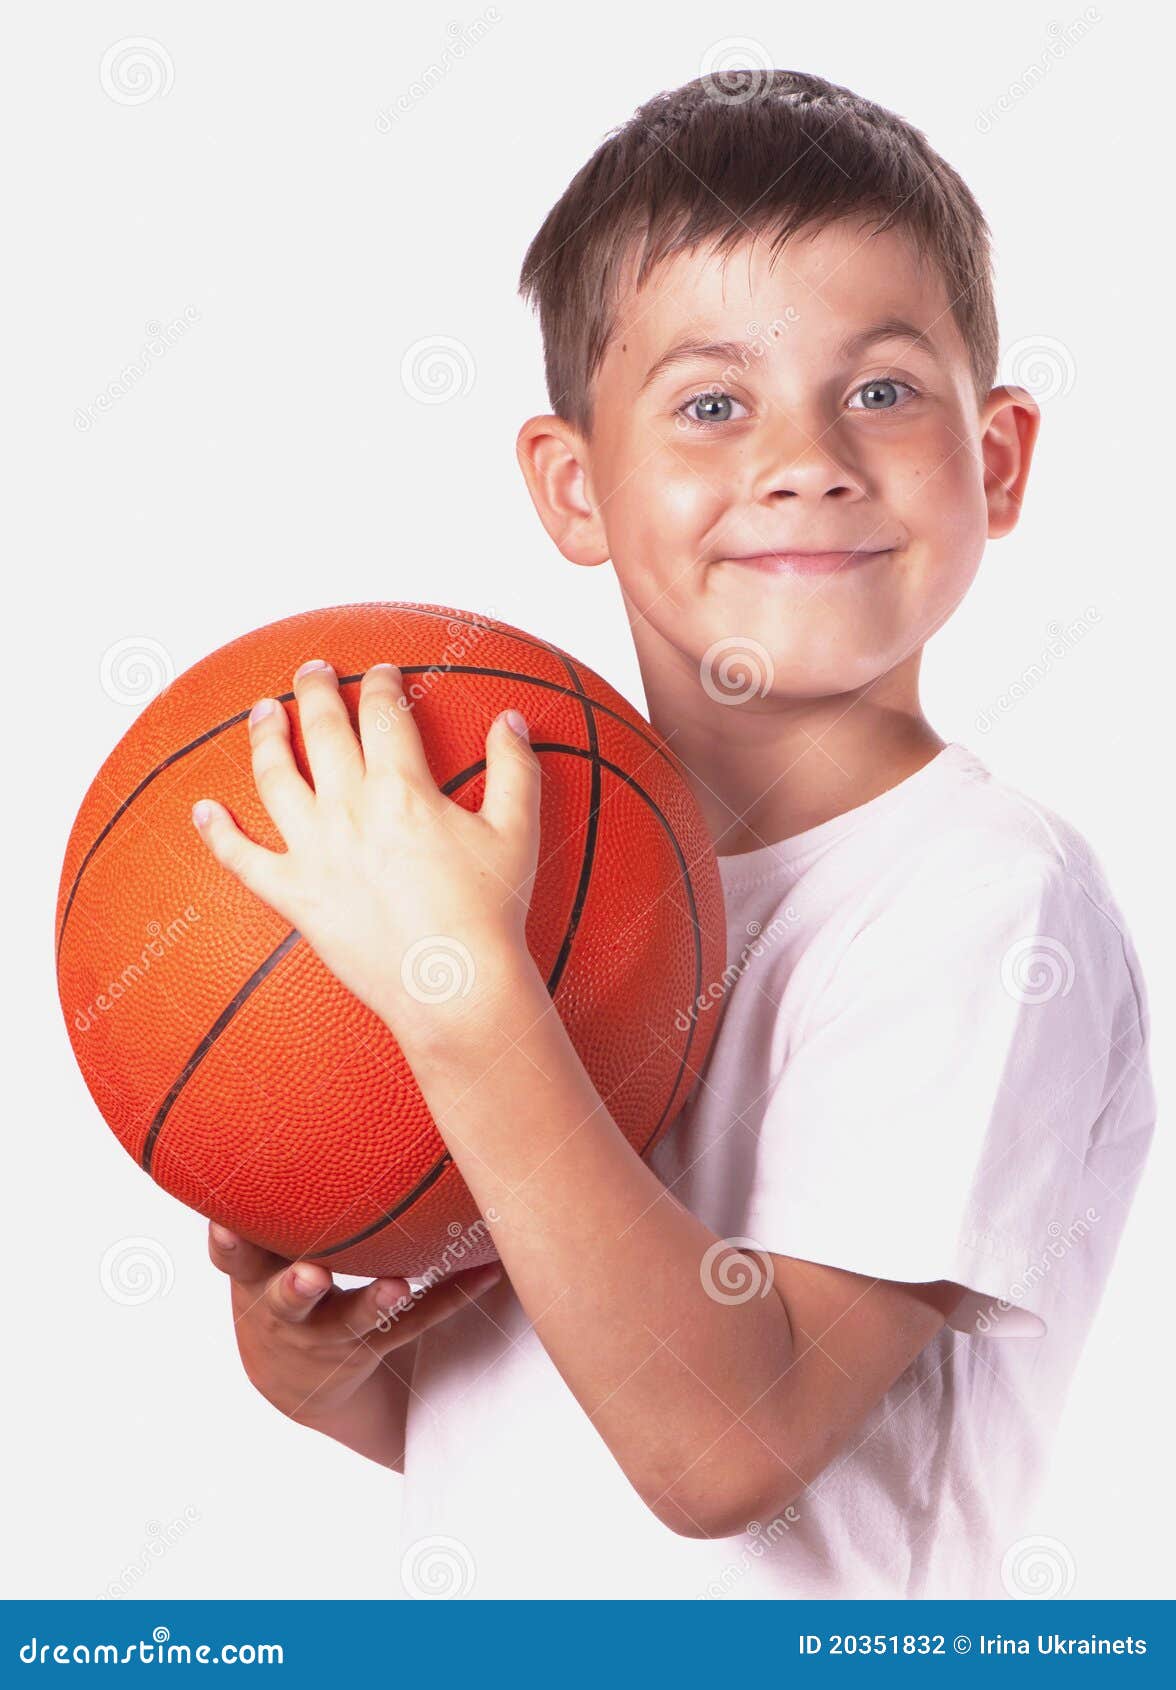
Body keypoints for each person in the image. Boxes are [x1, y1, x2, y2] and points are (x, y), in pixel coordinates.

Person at [197, 69, 1155, 1599]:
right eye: (714, 404)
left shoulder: (985, 899)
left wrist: (461, 993)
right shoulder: (528, 879)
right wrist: (321, 1370)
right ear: (574, 485)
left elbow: (721, 1445)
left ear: (1000, 458)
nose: (807, 456)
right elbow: (543, 1427)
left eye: (886, 389)